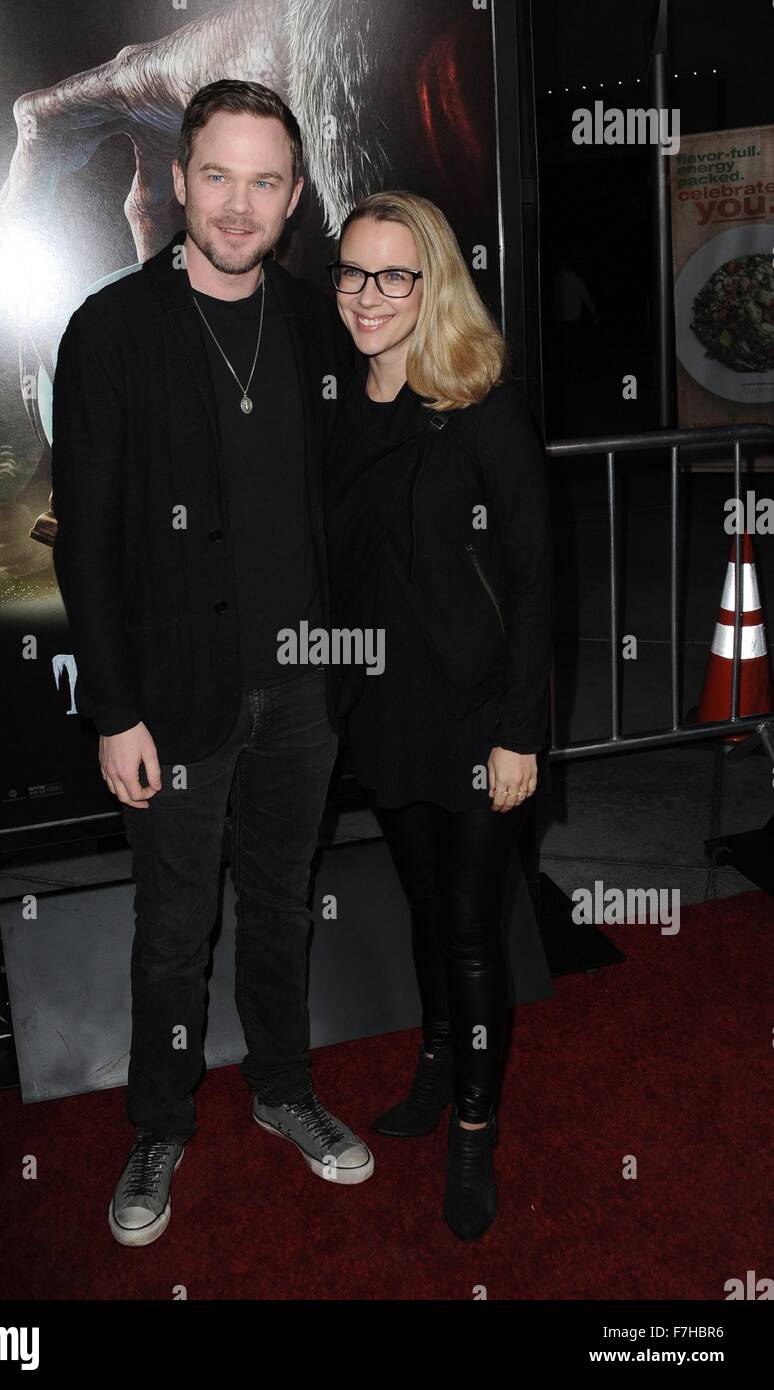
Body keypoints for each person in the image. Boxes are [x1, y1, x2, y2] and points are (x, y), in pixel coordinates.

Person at [50, 80, 372, 1249]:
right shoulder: (112, 331)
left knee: (283, 903)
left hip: (302, 694)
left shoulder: (314, 324)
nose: (240, 204)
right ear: (177, 181)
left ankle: (283, 1090)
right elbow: (85, 541)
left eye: (265, 181)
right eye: (219, 176)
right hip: (174, 699)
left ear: (293, 199)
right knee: (176, 927)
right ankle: (158, 1124)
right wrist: (113, 710)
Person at [322, 191, 554, 1240]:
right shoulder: (336, 404)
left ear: (434, 283)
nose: (370, 297)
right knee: (423, 911)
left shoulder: (481, 400)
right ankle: (430, 1067)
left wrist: (519, 729)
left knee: (470, 934)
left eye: (394, 275)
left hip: (473, 717)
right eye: (354, 274)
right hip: (384, 710)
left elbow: (537, 578)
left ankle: (472, 1127)